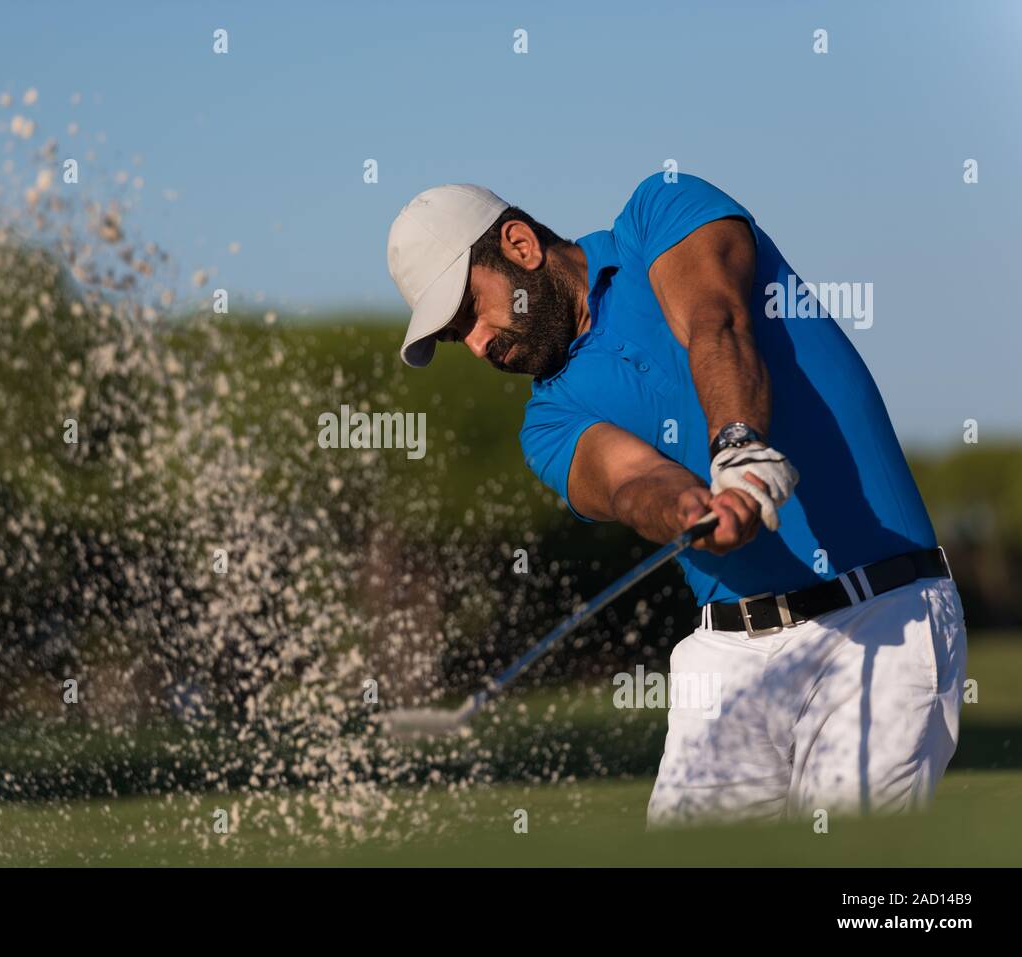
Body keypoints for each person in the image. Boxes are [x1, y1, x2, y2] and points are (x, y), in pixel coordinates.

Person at [384, 173, 967, 826]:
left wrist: (738, 446)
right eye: (455, 336)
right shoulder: (545, 422)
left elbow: (715, 319)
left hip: (882, 618)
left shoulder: (660, 215)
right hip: (728, 655)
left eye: (470, 310)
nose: (477, 343)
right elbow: (629, 481)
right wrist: (689, 509)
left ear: (519, 245)